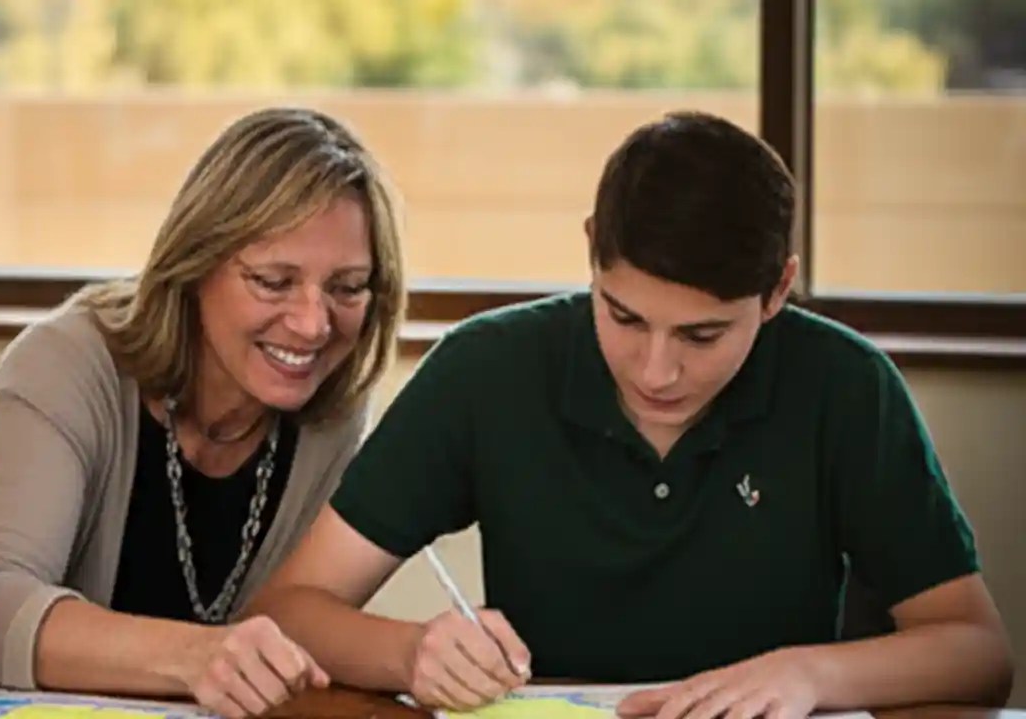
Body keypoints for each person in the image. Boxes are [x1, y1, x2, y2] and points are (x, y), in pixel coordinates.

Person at [245, 111, 1014, 717]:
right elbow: (290, 610)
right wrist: (412, 652)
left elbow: (978, 654)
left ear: (778, 290)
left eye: (702, 335)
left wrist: (810, 672)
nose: (657, 370)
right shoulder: (487, 369)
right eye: (623, 317)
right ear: (590, 250)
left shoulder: (847, 387)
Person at [0, 107, 405, 719]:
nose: (313, 324)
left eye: (347, 287)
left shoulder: (332, 412)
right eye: (273, 281)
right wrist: (199, 656)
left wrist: (422, 650)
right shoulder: (66, 363)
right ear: (194, 264)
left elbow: (289, 622)